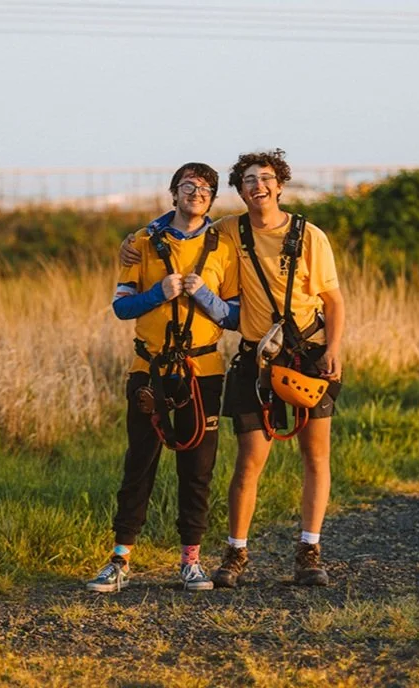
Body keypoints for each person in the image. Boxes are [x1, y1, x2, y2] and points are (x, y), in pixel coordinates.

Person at [120, 149, 345, 587]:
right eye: (247, 180)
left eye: (265, 178)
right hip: (254, 358)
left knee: (315, 455)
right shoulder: (228, 232)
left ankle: (309, 550)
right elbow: (178, 227)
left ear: (280, 184)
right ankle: (236, 553)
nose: (257, 186)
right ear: (239, 191)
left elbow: (334, 300)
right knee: (248, 460)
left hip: (310, 352)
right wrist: (134, 240)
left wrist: (334, 348)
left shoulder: (310, 235)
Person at [87, 162, 240, 593]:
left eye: (205, 188)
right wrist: (160, 293)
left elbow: (235, 316)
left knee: (198, 468)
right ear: (173, 193)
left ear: (212, 199)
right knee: (139, 464)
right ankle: (120, 559)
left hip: (203, 372)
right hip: (149, 370)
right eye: (188, 186)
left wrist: (202, 295)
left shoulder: (224, 246)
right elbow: (121, 307)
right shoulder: (141, 242)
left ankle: (191, 560)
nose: (196, 193)